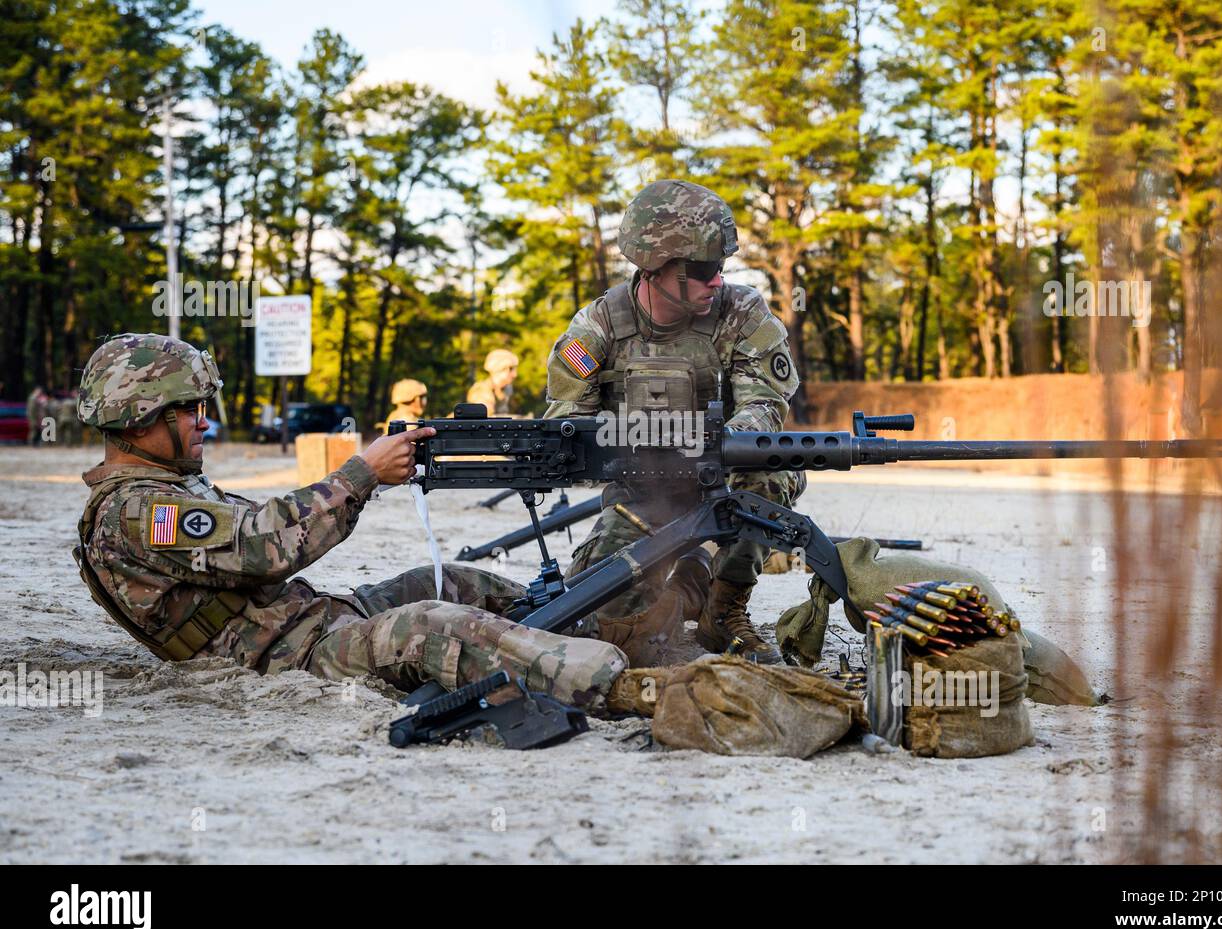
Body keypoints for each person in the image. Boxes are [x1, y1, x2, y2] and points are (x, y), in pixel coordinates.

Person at [74, 334, 636, 713]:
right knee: (433, 624)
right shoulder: (139, 512)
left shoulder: (161, 493)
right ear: (141, 415)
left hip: (310, 621)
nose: (204, 424)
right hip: (288, 656)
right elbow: (264, 546)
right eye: (192, 411)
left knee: (455, 582)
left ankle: (602, 638)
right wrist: (360, 475)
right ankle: (624, 686)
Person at [544, 180, 802, 665]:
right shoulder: (598, 328)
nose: (717, 282)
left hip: (724, 476)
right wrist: (637, 447)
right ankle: (692, 579)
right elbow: (565, 426)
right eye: (704, 270)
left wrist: (715, 442)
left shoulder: (741, 312)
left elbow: (765, 404)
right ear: (654, 267)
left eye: (721, 268)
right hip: (641, 492)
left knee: (767, 469)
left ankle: (725, 611)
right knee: (615, 632)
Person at [466, 349, 519, 416]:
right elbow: (483, 421)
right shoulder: (481, 391)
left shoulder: (505, 390)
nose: (515, 374)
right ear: (497, 369)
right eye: (510, 369)